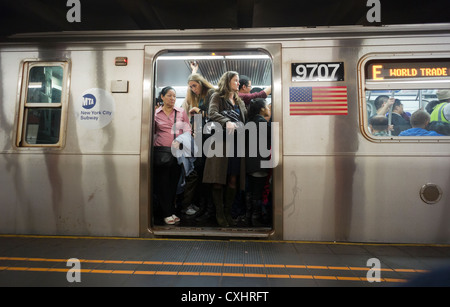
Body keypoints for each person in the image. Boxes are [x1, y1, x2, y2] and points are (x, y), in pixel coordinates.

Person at [203, 71, 247, 227]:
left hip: (236, 143)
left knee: (233, 179)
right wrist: (227, 121)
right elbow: (212, 113)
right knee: (218, 179)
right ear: (227, 81)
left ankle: (227, 212)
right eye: (235, 80)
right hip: (220, 143)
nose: (238, 83)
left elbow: (244, 119)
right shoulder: (217, 96)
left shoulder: (239, 101)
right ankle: (219, 213)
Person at [153, 86, 191, 225]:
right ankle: (167, 213)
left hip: (177, 153)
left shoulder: (181, 112)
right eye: (169, 95)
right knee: (162, 184)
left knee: (173, 183)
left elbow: (188, 129)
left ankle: (171, 210)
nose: (172, 98)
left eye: (174, 96)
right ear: (162, 97)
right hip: (161, 152)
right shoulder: (155, 114)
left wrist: (181, 141)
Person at [180, 71, 216, 218]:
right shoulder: (196, 97)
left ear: (201, 83)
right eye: (190, 87)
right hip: (200, 138)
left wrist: (199, 111)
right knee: (199, 172)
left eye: (194, 86)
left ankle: (208, 208)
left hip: (212, 137)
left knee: (207, 173)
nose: (193, 89)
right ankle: (202, 205)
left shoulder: (212, 93)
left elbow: (215, 114)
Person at [245, 98, 271, 226]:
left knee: (251, 191)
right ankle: (256, 218)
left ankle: (249, 216)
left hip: (250, 163)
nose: (269, 109)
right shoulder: (261, 121)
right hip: (260, 163)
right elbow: (273, 135)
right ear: (262, 109)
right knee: (258, 193)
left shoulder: (250, 121)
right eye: (267, 106)